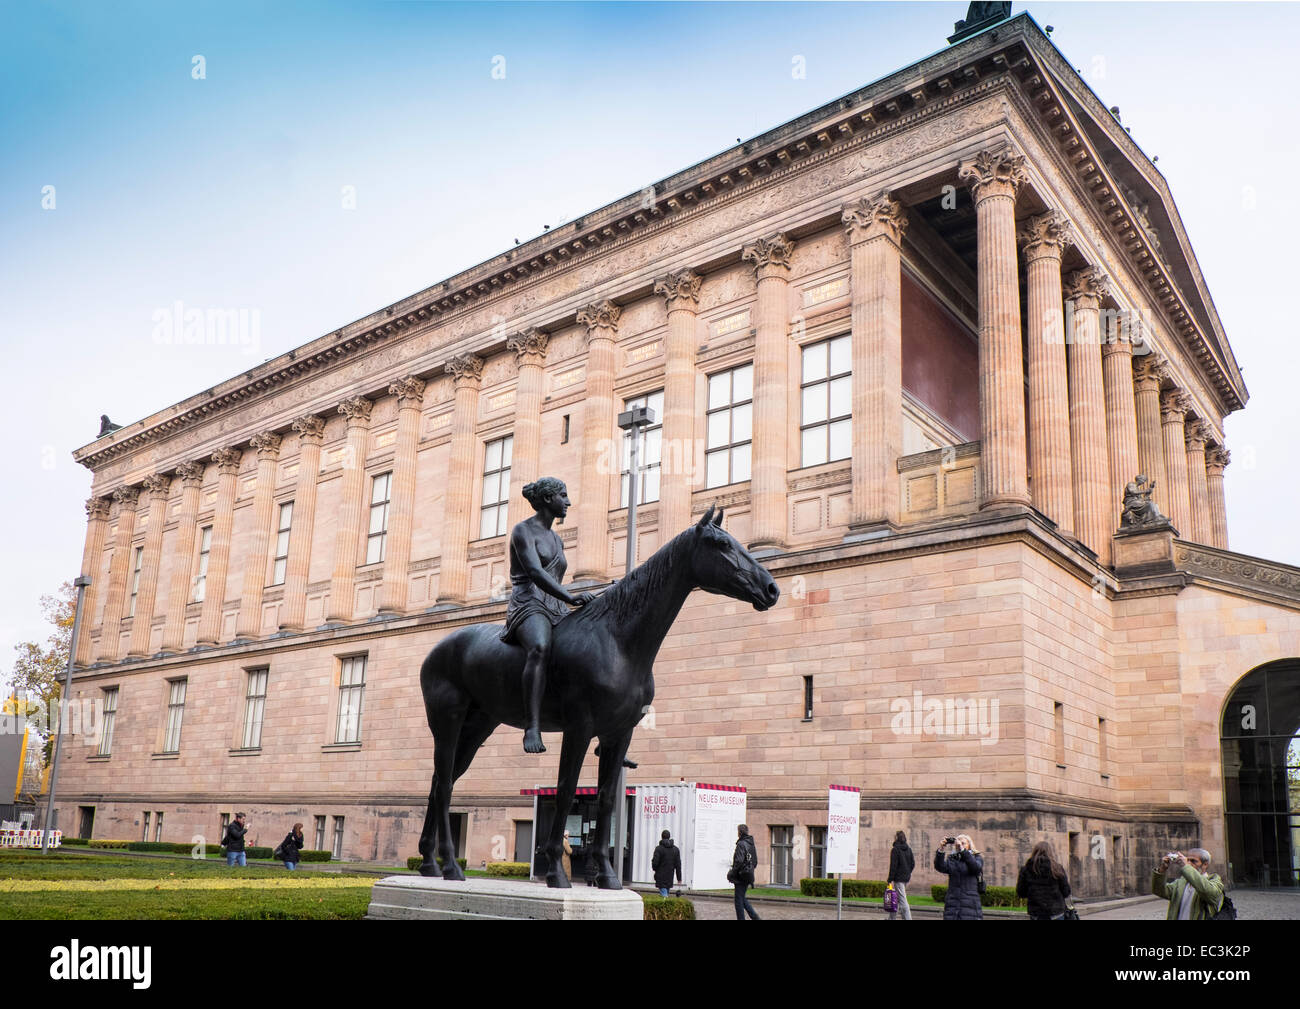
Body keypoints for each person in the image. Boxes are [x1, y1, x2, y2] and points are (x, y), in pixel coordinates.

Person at [500, 477, 596, 754]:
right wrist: (570, 596)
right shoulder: (522, 531)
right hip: (528, 602)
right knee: (540, 647)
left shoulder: (556, 538)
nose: (568, 502)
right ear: (547, 499)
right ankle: (532, 725)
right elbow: (535, 572)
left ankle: (604, 724)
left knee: (589, 647)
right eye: (563, 496)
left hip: (555, 606)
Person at [1152, 848, 1225, 920]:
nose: (1189, 863)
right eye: (1188, 860)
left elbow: (1208, 892)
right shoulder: (1181, 882)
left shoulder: (1214, 880)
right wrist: (1162, 869)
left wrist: (1185, 867)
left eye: (1193, 861)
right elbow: (1159, 891)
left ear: (1205, 864)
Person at [1016, 841, 1071, 920]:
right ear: (1050, 852)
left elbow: (1021, 892)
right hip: (1056, 912)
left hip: (1036, 913)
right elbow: (1066, 892)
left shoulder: (1026, 869)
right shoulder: (1057, 869)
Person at [934, 833, 983, 920]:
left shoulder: (976, 857)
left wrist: (963, 851)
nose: (959, 845)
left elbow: (975, 868)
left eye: (963, 843)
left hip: (970, 903)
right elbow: (940, 867)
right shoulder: (952, 858)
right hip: (953, 902)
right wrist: (941, 849)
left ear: (969, 845)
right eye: (958, 843)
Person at [729, 824, 760, 920]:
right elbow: (755, 861)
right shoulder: (750, 843)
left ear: (739, 832)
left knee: (738, 901)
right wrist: (750, 870)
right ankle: (755, 918)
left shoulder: (741, 844)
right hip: (748, 875)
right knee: (742, 898)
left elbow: (739, 861)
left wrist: (731, 873)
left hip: (740, 876)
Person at [887, 830, 915, 920]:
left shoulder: (895, 850)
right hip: (906, 877)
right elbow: (913, 863)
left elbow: (893, 866)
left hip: (898, 878)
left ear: (896, 838)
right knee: (896, 899)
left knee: (902, 900)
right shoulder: (909, 849)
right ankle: (891, 918)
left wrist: (889, 879)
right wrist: (907, 872)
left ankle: (908, 918)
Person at [652, 829, 683, 897]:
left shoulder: (658, 849)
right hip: (670, 876)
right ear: (669, 837)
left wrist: (655, 869)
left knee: (664, 895)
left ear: (662, 837)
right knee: (665, 892)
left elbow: (655, 863)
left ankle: (665, 903)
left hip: (660, 876)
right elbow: (678, 865)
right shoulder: (676, 849)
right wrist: (679, 878)